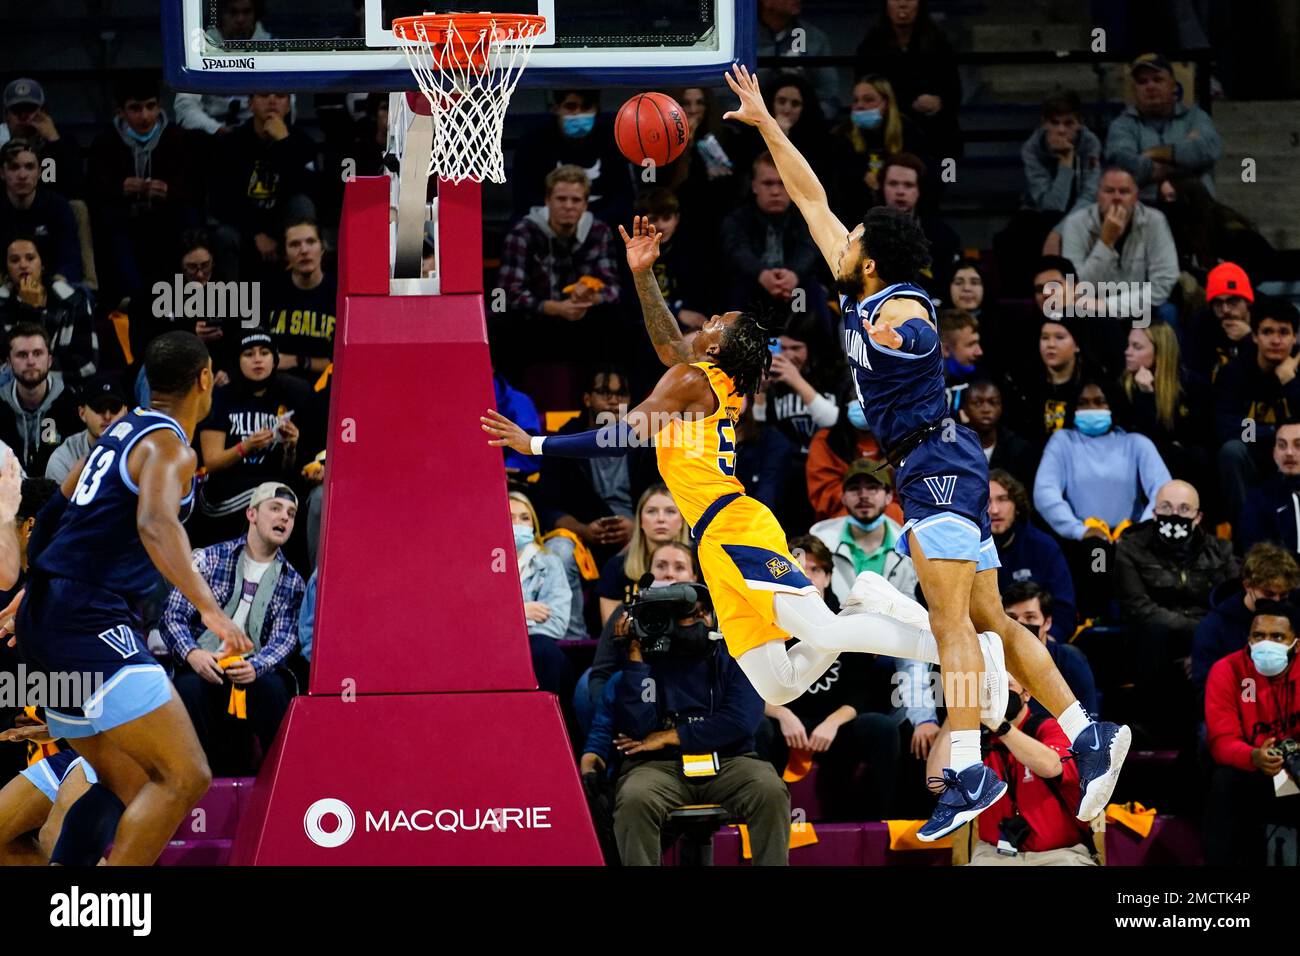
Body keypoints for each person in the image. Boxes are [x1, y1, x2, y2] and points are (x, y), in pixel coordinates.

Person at [721, 62, 1130, 839]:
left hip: (937, 461)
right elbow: (811, 197)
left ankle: (968, 767)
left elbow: (914, 328)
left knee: (953, 627)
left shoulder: (900, 300)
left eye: (854, 241)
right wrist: (767, 124)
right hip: (938, 461)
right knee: (988, 619)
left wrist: (903, 340)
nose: (840, 241)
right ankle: (1088, 732)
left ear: (871, 256)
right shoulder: (861, 283)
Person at [484, 218, 1011, 725]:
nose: (708, 319)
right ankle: (865, 605)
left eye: (715, 322)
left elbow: (622, 434)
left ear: (714, 348)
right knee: (778, 684)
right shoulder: (713, 379)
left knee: (823, 632)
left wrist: (536, 443)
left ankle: (961, 647)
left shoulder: (693, 381)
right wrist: (643, 275)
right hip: (711, 538)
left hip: (735, 525)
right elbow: (669, 345)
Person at [13, 330, 251, 865]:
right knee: (186, 775)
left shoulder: (119, 431)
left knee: (127, 781)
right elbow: (156, 523)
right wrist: (210, 609)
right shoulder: (171, 448)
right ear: (205, 379)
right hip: (89, 619)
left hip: (48, 619)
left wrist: (32, 589)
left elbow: (55, 511)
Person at [580, 583, 791, 866]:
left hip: (730, 761)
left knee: (769, 789)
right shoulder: (647, 665)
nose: (701, 618)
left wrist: (670, 736)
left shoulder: (735, 657)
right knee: (634, 797)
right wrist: (635, 659)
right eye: (690, 614)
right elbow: (638, 728)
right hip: (660, 767)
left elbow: (740, 722)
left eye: (705, 611)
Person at [162, 482, 305, 775]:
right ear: (251, 514)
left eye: (291, 514)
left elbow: (285, 638)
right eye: (275, 509)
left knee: (273, 690)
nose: (284, 518)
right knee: (188, 688)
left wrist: (256, 666)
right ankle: (189, 780)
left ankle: (282, 780)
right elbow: (173, 614)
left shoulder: (292, 581)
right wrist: (192, 654)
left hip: (252, 670)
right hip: (206, 663)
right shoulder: (210, 559)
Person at [1115, 479, 1239, 742]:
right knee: (1151, 631)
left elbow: (1232, 603)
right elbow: (1138, 607)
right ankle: (1155, 729)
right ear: (1154, 512)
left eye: (1184, 509)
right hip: (1156, 641)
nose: (1174, 515)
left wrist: (1202, 645)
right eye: (1166, 507)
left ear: (1198, 517)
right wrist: (1199, 636)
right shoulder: (1130, 548)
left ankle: (1217, 728)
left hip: (1207, 638)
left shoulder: (1221, 551)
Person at [926, 676, 1095, 866]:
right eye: (992, 689)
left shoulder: (1051, 727)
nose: (999, 695)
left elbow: (1051, 766)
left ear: (1027, 693)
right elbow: (936, 782)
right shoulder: (978, 741)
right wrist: (956, 710)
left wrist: (1000, 726)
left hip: (1060, 855)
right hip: (994, 856)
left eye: (1008, 686)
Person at [496, 165, 623, 394]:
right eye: (561, 199)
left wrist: (590, 297)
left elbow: (612, 288)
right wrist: (555, 308)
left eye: (576, 200)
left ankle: (603, 398)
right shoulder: (522, 232)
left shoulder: (599, 231)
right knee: (502, 324)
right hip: (538, 321)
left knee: (618, 322)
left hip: (583, 319)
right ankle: (510, 401)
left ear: (585, 204)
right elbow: (509, 293)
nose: (568, 206)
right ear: (547, 201)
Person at [1203, 601, 1300, 865]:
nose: (1266, 643)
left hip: (1296, 768)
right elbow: (1221, 740)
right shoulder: (1227, 669)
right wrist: (1253, 756)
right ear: (1248, 639)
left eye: (1277, 636)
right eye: (1258, 635)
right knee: (1224, 781)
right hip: (1252, 770)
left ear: (1296, 643)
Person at [86, 71, 196, 305]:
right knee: (111, 225)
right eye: (135, 108)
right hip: (124, 222)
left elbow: (194, 188)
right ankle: (131, 301)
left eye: (150, 106)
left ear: (159, 106)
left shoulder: (177, 138)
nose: (145, 116)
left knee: (184, 218)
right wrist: (119, 189)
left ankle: (179, 298)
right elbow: (93, 190)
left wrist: (169, 192)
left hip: (166, 218)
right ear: (121, 112)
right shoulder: (105, 142)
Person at [533, 365, 659, 567]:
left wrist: (639, 527)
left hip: (639, 534)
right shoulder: (564, 441)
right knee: (560, 551)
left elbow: (666, 496)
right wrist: (582, 530)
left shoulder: (648, 443)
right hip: (581, 537)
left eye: (621, 394)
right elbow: (545, 506)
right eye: (604, 393)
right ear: (587, 399)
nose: (614, 401)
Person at [195, 330, 312, 546]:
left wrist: (290, 448)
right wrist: (246, 446)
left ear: (274, 360)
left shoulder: (290, 397)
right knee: (273, 498)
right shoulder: (221, 398)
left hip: (273, 486)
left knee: (289, 497)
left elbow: (288, 470)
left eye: (264, 353)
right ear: (237, 360)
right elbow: (212, 462)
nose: (257, 359)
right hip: (226, 489)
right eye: (248, 354)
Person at [1033, 380, 1171, 542]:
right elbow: (1045, 492)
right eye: (1083, 403)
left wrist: (1140, 531)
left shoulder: (1137, 443)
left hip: (1132, 542)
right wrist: (1079, 530)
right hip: (1080, 542)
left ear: (1113, 405)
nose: (1091, 408)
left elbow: (1164, 491)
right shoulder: (1062, 441)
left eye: (1099, 402)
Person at [750, 311, 849, 530]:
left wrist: (797, 381)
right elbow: (761, 429)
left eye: (796, 348)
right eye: (783, 348)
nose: (788, 355)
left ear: (812, 348)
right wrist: (760, 391)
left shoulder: (836, 377)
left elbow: (835, 423)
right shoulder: (775, 381)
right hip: (786, 476)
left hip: (829, 471)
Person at [209, 92, 319, 280]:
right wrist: (256, 233)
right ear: (250, 103)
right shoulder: (231, 143)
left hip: (286, 228)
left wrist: (284, 143)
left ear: (289, 105)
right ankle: (231, 298)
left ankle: (303, 289)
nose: (272, 101)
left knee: (302, 205)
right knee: (224, 235)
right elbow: (222, 201)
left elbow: (311, 193)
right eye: (264, 95)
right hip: (244, 228)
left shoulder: (302, 142)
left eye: (280, 95)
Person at [1056, 164, 1179, 332]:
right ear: (1098, 195)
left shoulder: (1154, 221)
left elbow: (1164, 283)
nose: (1116, 198)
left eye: (1124, 191)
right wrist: (1106, 242)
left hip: (1139, 305)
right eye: (1109, 191)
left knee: (1167, 311)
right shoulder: (1076, 223)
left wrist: (1109, 306)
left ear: (1136, 196)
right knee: (1067, 309)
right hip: (1091, 306)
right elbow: (1075, 286)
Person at [1215, 301, 1300, 524]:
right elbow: (1227, 427)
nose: (1276, 340)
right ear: (1254, 336)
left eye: (1284, 332)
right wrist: (1273, 432)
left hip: (1293, 458)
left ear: (1295, 338)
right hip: (1251, 459)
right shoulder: (1234, 373)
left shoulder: (1296, 375)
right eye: (1267, 332)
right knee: (1231, 451)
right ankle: (1246, 535)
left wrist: (1290, 382)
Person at [1105, 53, 1222, 203]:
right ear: (1135, 90)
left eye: (1157, 79)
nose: (1150, 86)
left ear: (1173, 86)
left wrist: (1153, 153)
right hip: (1144, 207)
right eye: (1142, 82)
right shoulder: (1122, 124)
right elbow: (1124, 165)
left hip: (1194, 204)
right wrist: (1183, 162)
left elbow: (1208, 149)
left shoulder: (1195, 116)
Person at [854, 0, 963, 160]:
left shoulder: (939, 42)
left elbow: (954, 91)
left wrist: (939, 102)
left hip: (935, 133)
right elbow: (864, 90)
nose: (902, 4)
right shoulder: (871, 45)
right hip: (888, 134)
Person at [510, 90, 634, 228]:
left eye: (586, 107)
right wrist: (559, 223)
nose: (578, 113)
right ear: (556, 108)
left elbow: (623, 196)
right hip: (547, 223)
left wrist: (592, 224)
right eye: (570, 107)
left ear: (596, 109)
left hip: (603, 223)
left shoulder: (612, 140)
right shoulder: (533, 142)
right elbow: (525, 198)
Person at [1191, 542, 1300, 695]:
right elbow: (1206, 689)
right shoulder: (1214, 627)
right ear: (1248, 586)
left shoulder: (1295, 616)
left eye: (1283, 596)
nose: (1276, 602)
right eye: (1268, 594)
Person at [720, 153, 822, 313]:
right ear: (754, 186)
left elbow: (809, 248)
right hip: (753, 288)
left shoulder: (806, 218)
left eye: (783, 183)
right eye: (768, 183)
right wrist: (761, 273)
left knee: (813, 291)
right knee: (738, 289)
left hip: (795, 290)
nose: (775, 191)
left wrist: (794, 273)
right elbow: (738, 250)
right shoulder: (737, 220)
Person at [810, 459, 918, 605]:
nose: (863, 495)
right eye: (854, 488)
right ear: (843, 498)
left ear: (889, 496)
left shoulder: (910, 548)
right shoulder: (818, 543)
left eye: (872, 488)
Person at [989, 470, 1077, 642]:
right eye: (986, 502)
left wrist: (1043, 647)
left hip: (1039, 641)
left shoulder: (1043, 547)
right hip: (986, 645)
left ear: (1016, 505)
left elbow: (1065, 612)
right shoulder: (965, 550)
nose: (994, 510)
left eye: (1003, 499)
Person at [829, 74, 928, 225]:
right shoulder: (841, 136)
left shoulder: (909, 133)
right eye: (855, 100)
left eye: (868, 100)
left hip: (902, 218)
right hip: (853, 217)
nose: (860, 106)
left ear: (886, 103)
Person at [0, 237, 98, 384]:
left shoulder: (74, 301)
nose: (23, 265)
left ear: (42, 263)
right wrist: (29, 311)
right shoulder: (2, 305)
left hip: (66, 388)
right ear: (7, 269)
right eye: (14, 260)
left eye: (30, 258)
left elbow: (87, 363)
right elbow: (6, 362)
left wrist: (34, 372)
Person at [1118, 321, 1207, 483]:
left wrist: (1148, 394)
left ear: (1160, 352)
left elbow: (1193, 438)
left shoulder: (1192, 386)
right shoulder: (1122, 385)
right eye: (1128, 345)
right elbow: (1140, 438)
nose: (1127, 352)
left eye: (1137, 347)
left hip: (1178, 466)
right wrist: (1145, 395)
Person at [172, 0, 272, 136]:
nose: (240, 19)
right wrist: (216, 129)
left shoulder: (272, 49)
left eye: (247, 12)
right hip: (208, 138)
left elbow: (286, 106)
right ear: (220, 14)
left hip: (259, 136)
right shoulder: (200, 49)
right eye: (232, 12)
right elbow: (185, 105)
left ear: (256, 14)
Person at [1003, 582, 1097, 720]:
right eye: (1012, 618)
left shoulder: (1070, 660)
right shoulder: (993, 659)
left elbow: (1090, 719)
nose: (1019, 625)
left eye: (1030, 617)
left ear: (1047, 622)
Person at [596, 483, 687, 624]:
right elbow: (611, 629)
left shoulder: (702, 563)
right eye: (651, 511)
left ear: (682, 519)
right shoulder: (616, 567)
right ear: (640, 521)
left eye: (670, 511)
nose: (661, 519)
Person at [0, 323, 83, 476]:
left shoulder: (72, 405)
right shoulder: (1, 404)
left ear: (49, 360)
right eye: (22, 355)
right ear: (9, 363)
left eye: (37, 353)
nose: (31, 361)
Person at [262, 218, 336, 381]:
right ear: (285, 254)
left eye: (311, 242)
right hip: (277, 383)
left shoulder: (338, 294)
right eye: (294, 244)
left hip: (326, 387)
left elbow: (343, 362)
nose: (304, 250)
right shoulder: (269, 292)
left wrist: (298, 361)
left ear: (322, 248)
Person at [0, 140, 81, 284]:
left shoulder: (58, 206)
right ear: (2, 173)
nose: (22, 175)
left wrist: (53, 286)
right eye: (14, 167)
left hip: (53, 284)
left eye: (29, 167)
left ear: (39, 172)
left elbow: (71, 260)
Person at [878, 153, 960, 293]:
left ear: (919, 190)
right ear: (882, 187)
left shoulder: (944, 237)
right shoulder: (861, 235)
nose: (900, 191)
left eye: (908, 185)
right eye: (893, 184)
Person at [756, 1, 841, 121]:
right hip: (751, 125)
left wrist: (810, 122)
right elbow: (730, 97)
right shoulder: (741, 37)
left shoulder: (814, 39)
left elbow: (829, 97)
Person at [0, 78, 83, 200]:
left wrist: (55, 142)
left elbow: (74, 189)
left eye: (29, 109)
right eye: (17, 110)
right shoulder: (2, 144)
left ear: (43, 112)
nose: (23, 116)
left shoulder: (63, 143)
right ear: (6, 116)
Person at [45, 374, 128, 484]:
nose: (107, 416)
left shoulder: (139, 450)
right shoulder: (64, 458)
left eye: (114, 408)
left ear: (125, 412)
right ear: (82, 413)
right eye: (99, 408)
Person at [1237, 421, 1300, 554]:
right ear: (1274, 453)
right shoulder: (1258, 499)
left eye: (1298, 445)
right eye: (1282, 445)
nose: (1289, 452)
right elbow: (1256, 555)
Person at [964, 382, 1036, 490]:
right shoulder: (950, 447)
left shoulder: (1019, 448)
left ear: (1001, 407)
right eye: (977, 403)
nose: (986, 409)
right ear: (965, 408)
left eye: (993, 402)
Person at [939, 309, 983, 414]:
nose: (979, 352)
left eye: (977, 343)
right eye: (970, 344)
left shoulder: (983, 381)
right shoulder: (926, 392)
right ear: (946, 349)